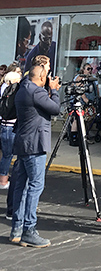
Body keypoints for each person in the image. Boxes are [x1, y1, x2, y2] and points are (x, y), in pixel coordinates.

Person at [9, 55, 61, 248]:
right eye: (45, 75)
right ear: (40, 78)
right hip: (35, 145)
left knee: (20, 186)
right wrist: (54, 91)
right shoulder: (37, 92)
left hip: (23, 142)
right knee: (35, 186)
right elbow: (55, 109)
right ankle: (29, 230)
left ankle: (17, 228)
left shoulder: (23, 88)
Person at [0, 69, 22, 189]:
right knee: (8, 155)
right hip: (9, 126)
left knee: (7, 154)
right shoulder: (11, 92)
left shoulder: (5, 91)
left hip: (5, 126)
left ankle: (4, 177)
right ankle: (3, 180)